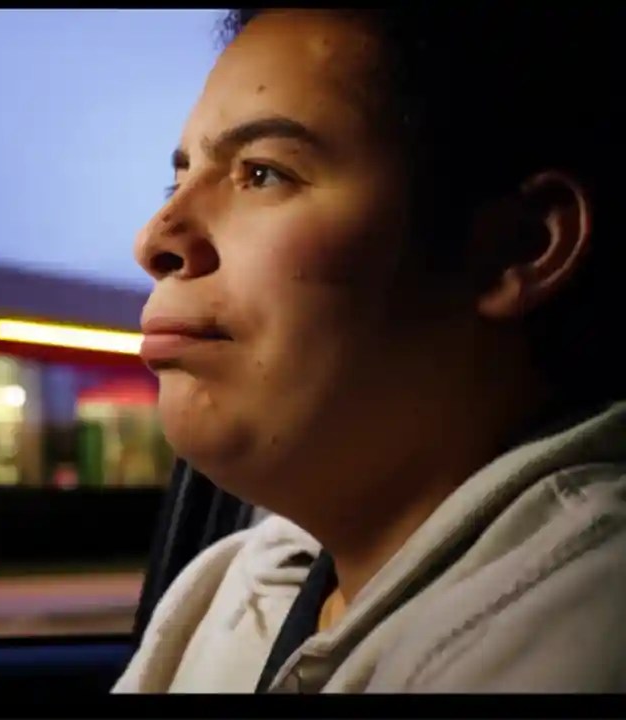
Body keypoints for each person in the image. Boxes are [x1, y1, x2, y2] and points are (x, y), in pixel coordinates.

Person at [115, 6, 626, 693]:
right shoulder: (237, 588)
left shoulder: (582, 624)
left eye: (262, 173)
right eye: (177, 183)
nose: (156, 237)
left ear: (519, 247)